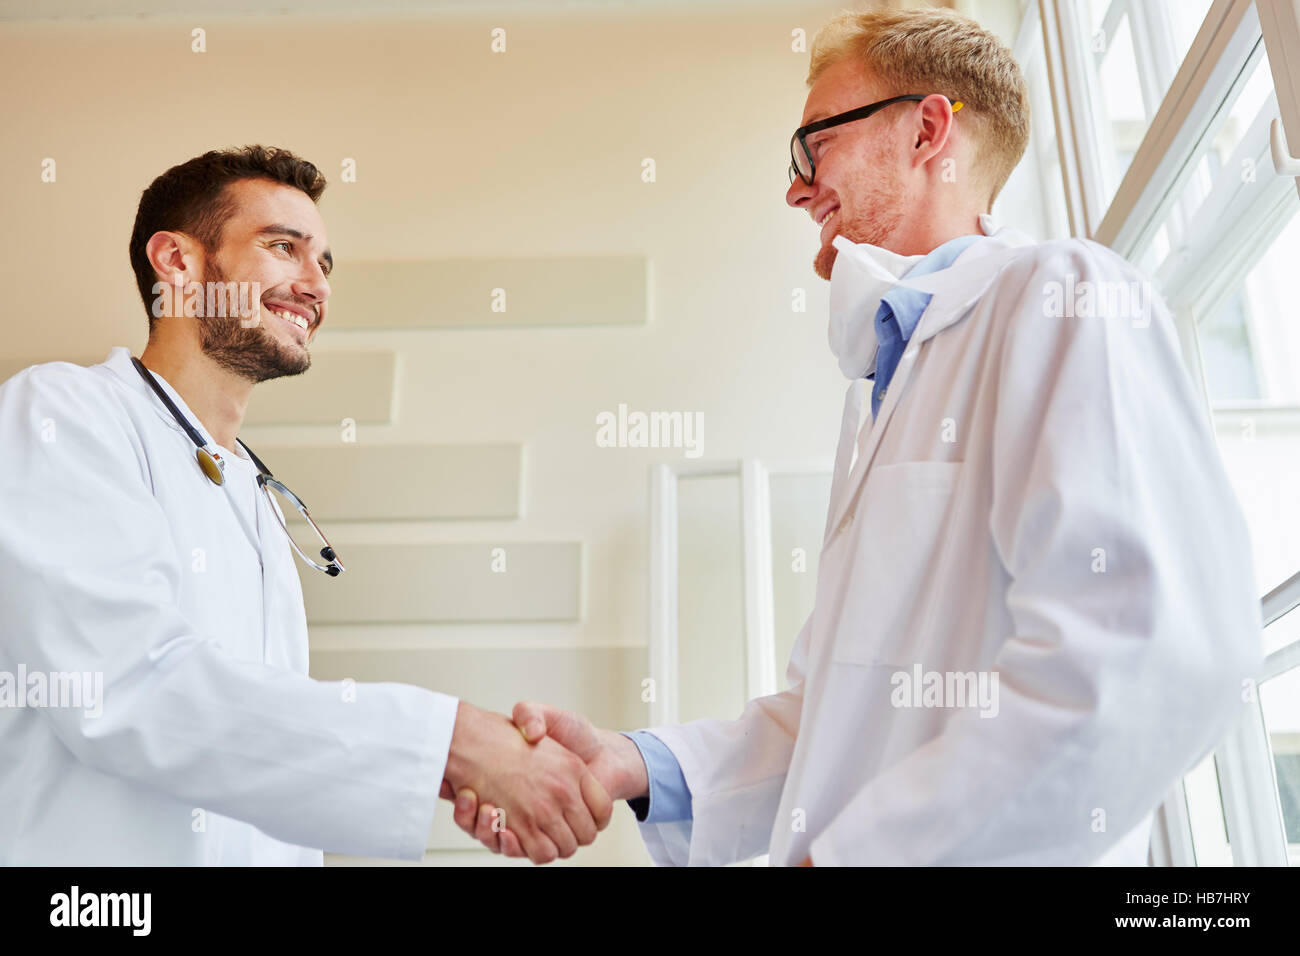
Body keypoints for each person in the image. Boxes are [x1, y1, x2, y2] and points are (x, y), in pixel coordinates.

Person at [453, 8, 1263, 866]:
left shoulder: (1062, 295)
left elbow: (1144, 655)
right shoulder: (881, 390)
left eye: (814, 146)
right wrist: (639, 763)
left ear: (926, 130)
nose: (796, 189)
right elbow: (836, 720)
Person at [0, 146, 610, 865]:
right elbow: (128, 688)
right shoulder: (62, 414)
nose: (314, 284)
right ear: (177, 261)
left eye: (323, 262)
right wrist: (450, 743)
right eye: (283, 247)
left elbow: (262, 761)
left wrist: (442, 766)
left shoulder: (255, 497)